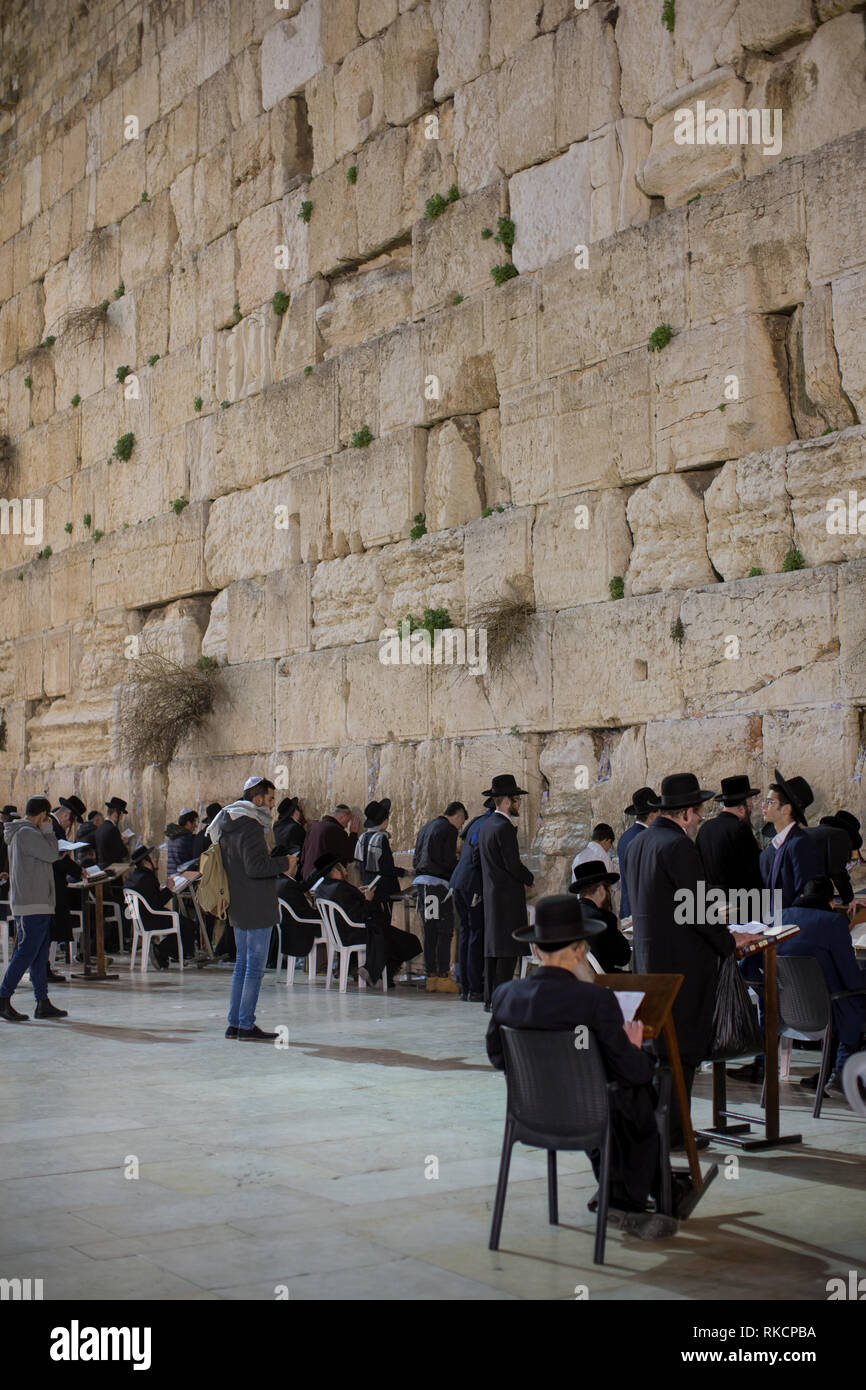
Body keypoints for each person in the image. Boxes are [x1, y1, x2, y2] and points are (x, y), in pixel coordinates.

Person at [486, 894, 679, 1238]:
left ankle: (619, 1192)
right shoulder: (594, 1000)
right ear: (579, 951)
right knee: (640, 1087)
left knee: (615, 1093)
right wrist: (635, 1049)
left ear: (535, 950)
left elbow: (499, 1057)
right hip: (590, 1117)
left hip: (530, 1116)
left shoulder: (505, 996)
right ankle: (631, 1200)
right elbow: (630, 1070)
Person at [625, 773, 752, 1146]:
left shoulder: (639, 844)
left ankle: (660, 1128)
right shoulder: (678, 847)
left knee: (659, 1051)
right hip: (681, 968)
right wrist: (731, 940)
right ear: (685, 814)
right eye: (697, 812)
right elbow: (698, 910)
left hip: (647, 964)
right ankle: (676, 1133)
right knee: (683, 1051)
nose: (698, 819)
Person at [209, 777, 294, 1041]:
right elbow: (255, 867)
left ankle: (235, 1023)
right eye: (270, 800)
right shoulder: (251, 826)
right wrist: (285, 863)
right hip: (256, 904)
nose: (271, 806)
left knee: (242, 966)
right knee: (253, 968)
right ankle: (245, 1024)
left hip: (238, 902)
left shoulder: (228, 822)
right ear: (257, 799)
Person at [779, 876, 866, 1095]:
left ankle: (832, 1074)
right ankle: (843, 1071)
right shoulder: (833, 922)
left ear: (802, 896)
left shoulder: (781, 917)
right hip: (829, 1009)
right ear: (831, 902)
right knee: (854, 1000)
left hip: (788, 1011)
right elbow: (850, 976)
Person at [0, 797, 67, 1022]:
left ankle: (42, 1002)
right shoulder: (28, 833)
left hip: (34, 902)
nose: (47, 821)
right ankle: (3, 997)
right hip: (33, 903)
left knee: (39, 956)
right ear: (42, 815)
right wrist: (49, 830)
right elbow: (50, 854)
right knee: (26, 952)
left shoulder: (24, 833)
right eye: (46, 817)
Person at [309, 853, 420, 987]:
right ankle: (377, 973)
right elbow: (359, 915)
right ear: (334, 871)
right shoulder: (342, 888)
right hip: (358, 932)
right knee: (410, 941)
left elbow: (347, 905)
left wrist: (357, 892)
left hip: (341, 933)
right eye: (342, 867)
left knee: (396, 939)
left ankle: (373, 970)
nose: (346, 870)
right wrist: (368, 899)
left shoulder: (323, 888)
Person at [475, 774, 534, 1009]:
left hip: (491, 895)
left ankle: (490, 998)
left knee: (493, 950)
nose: (519, 804)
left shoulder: (486, 826)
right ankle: (502, 1000)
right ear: (507, 801)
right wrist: (529, 878)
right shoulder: (505, 828)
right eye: (517, 800)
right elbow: (512, 864)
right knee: (507, 951)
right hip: (507, 898)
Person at [413, 801, 467, 981]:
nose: (460, 828)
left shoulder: (426, 827)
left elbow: (417, 858)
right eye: (462, 823)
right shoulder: (449, 830)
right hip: (438, 886)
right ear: (458, 816)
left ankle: (431, 972)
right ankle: (443, 972)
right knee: (444, 928)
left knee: (430, 930)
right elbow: (448, 861)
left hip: (423, 884)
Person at [124, 844, 198, 968]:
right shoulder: (146, 878)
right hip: (151, 918)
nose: (155, 860)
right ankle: (162, 951)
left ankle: (166, 953)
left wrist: (160, 890)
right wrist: (168, 889)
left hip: (139, 919)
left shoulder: (134, 877)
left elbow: (148, 896)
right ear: (146, 862)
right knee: (187, 924)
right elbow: (156, 903)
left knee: (181, 922)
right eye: (152, 858)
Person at [451, 796, 495, 1001]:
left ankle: (465, 986)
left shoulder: (477, 821)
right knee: (476, 935)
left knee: (466, 934)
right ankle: (475, 987)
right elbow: (479, 855)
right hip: (472, 885)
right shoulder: (491, 824)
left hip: (459, 881)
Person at [759, 771, 823, 910]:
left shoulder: (800, 843)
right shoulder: (773, 848)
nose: (763, 806)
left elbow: (804, 894)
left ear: (786, 809)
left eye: (770, 802)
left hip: (792, 925)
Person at [696, 775, 763, 899]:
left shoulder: (704, 829)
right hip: (740, 906)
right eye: (750, 806)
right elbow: (754, 874)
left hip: (711, 905)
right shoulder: (740, 829)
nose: (750, 810)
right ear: (742, 809)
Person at [47, 796, 87, 981]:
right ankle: (43, 969)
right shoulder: (54, 829)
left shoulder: (52, 827)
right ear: (65, 816)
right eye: (71, 821)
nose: (69, 826)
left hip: (51, 884)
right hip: (52, 885)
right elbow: (59, 860)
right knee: (48, 928)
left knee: (48, 929)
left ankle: (44, 968)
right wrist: (79, 871)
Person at [568, 860, 631, 972]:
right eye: (609, 890)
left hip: (572, 979)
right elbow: (623, 958)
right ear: (601, 890)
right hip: (602, 981)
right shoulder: (603, 918)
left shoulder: (568, 914)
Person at [354, 799, 408, 924]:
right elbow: (386, 868)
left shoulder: (362, 838)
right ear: (384, 821)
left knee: (374, 923)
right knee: (384, 923)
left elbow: (359, 865)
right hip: (383, 891)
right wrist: (405, 872)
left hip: (368, 887)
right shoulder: (380, 839)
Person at [617, 788, 658, 923]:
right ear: (652, 815)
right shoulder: (646, 839)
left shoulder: (625, 836)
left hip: (628, 906)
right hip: (644, 910)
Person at [808, 811, 861, 908]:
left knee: (778, 921)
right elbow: (837, 871)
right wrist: (850, 899)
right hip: (805, 896)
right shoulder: (840, 835)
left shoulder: (808, 832)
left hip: (778, 892)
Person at [300, 804, 360, 878]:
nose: (346, 826)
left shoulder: (313, 827)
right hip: (322, 879)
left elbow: (303, 857)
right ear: (343, 817)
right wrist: (353, 833)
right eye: (347, 822)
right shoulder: (337, 831)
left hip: (307, 875)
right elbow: (349, 855)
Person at [165, 809, 200, 876]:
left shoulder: (172, 838)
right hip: (183, 878)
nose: (195, 826)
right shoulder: (188, 838)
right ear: (188, 823)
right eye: (194, 822)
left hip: (171, 877)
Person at [273, 797, 306, 862]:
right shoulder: (295, 828)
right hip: (295, 863)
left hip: (282, 861)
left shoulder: (276, 826)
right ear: (295, 812)